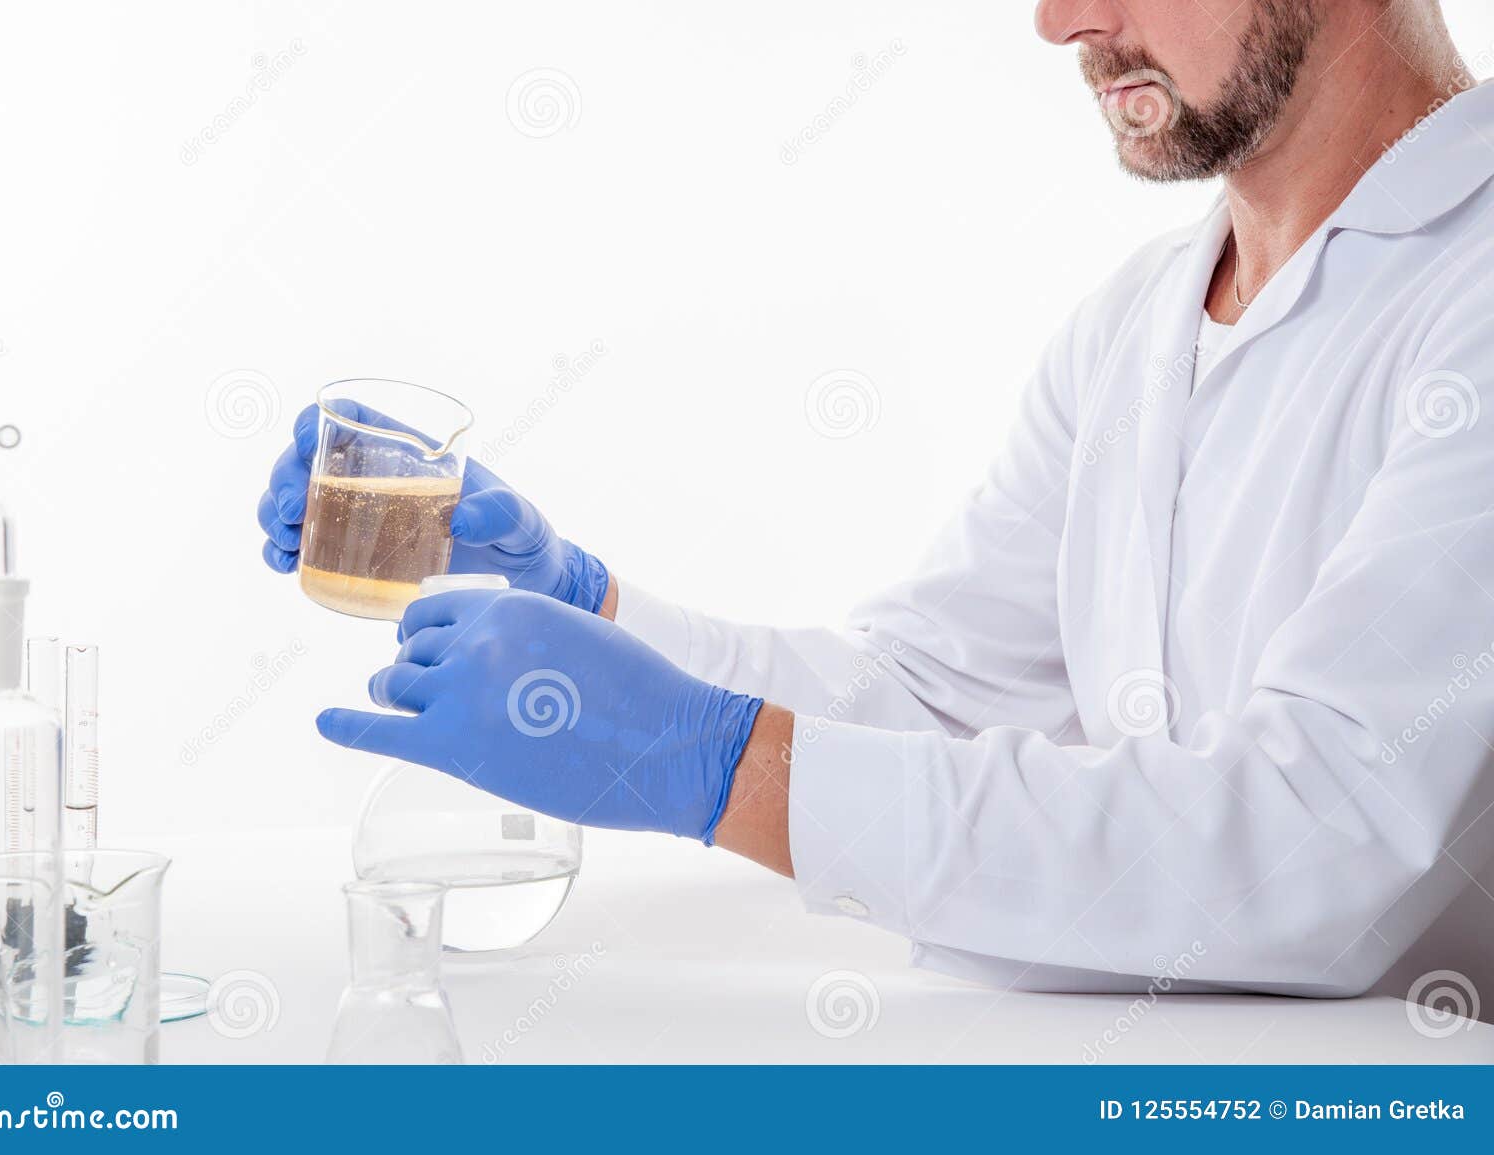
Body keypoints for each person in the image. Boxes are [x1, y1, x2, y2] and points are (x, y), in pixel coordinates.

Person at [258, 0, 1494, 1013]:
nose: (1060, 21)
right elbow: (931, 697)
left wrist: (714, 767)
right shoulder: (1141, 319)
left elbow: (1313, 842)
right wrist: (592, 611)